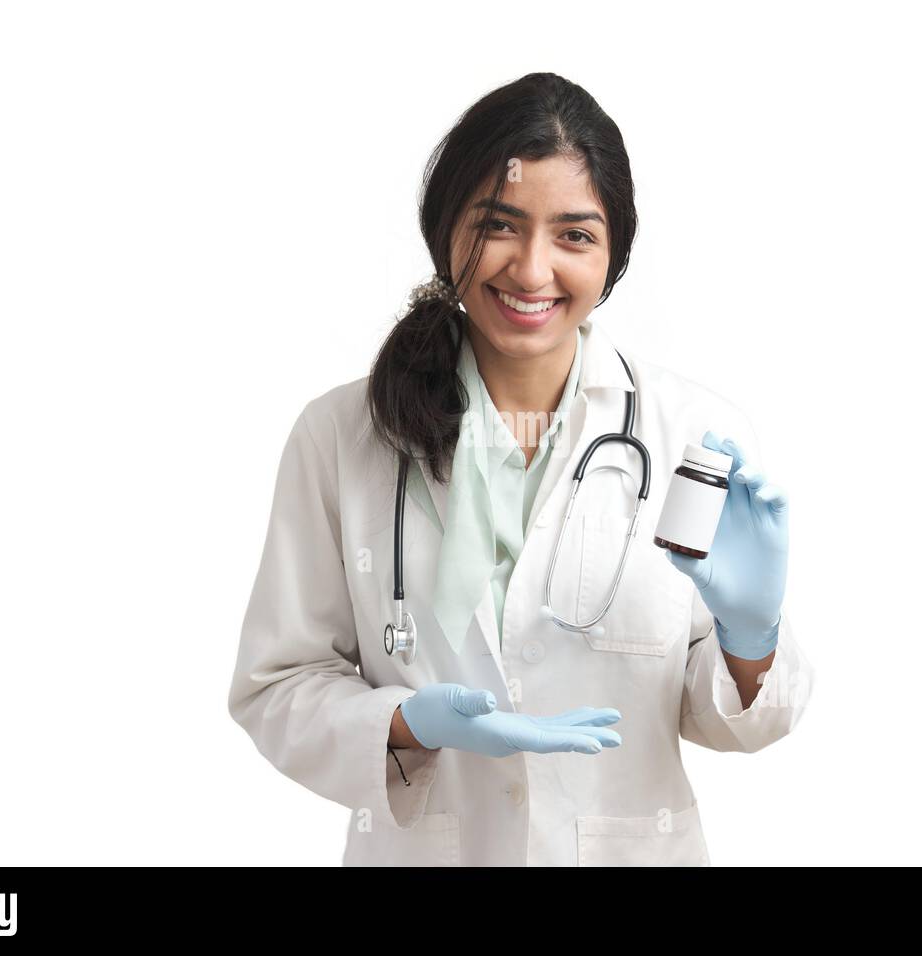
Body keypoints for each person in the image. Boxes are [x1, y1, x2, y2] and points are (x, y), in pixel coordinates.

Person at [227, 72, 813, 866]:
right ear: (447, 232)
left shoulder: (691, 439)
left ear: (614, 255)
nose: (532, 271)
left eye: (574, 235)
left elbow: (736, 722)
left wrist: (751, 640)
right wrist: (407, 725)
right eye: (500, 226)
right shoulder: (340, 435)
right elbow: (277, 686)